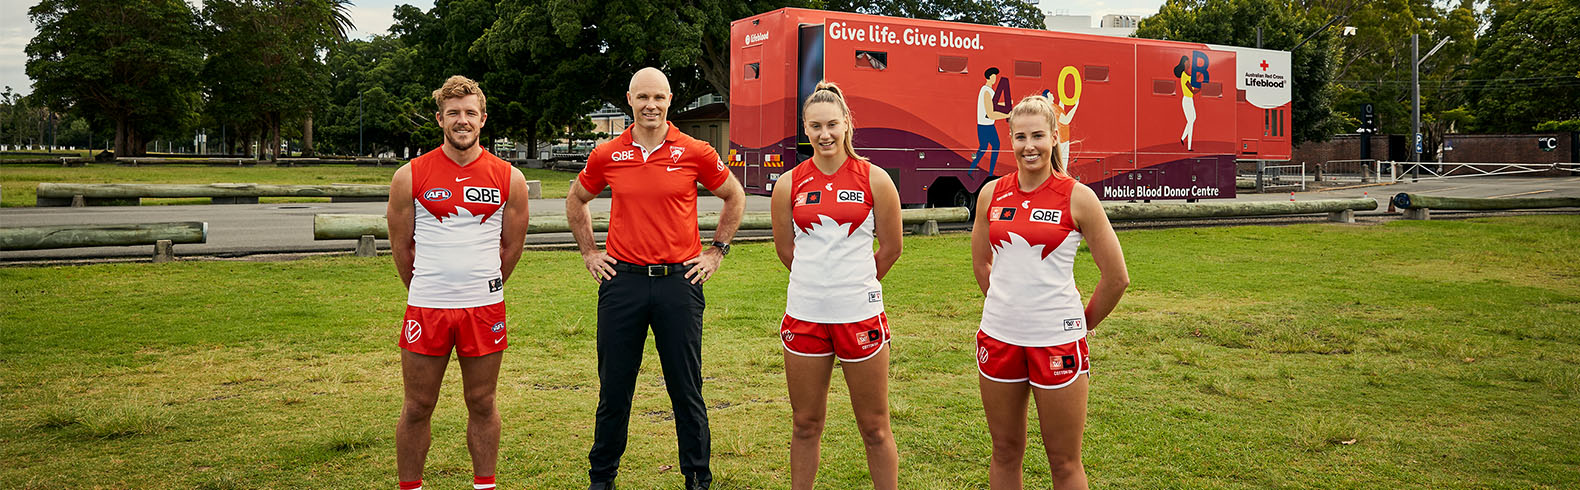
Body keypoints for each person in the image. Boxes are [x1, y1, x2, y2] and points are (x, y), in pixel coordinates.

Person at [567, 67, 747, 490]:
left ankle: (698, 479)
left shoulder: (696, 150)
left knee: (686, 390)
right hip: (623, 283)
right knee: (614, 390)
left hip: (678, 284)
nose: (651, 105)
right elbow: (577, 198)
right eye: (643, 97)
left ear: (670, 100)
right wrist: (591, 253)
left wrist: (716, 251)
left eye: (659, 98)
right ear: (629, 99)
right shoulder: (608, 153)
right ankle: (602, 479)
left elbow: (733, 195)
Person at [970, 95, 1129, 490]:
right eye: (1020, 136)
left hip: (1056, 343)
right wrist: (1005, 306)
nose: (1029, 146)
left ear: (1055, 137)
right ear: (1009, 139)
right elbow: (981, 264)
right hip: (999, 338)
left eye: (1039, 135)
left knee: (1064, 462)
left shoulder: (1078, 196)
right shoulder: (991, 194)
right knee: (1005, 452)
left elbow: (1116, 277)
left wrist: (1080, 324)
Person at [387, 75, 531, 490]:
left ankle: (484, 485)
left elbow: (511, 249)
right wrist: (429, 288)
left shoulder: (509, 179)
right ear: (440, 119)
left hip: (483, 308)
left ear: (483, 119)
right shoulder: (410, 176)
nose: (462, 120)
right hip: (427, 307)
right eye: (454, 114)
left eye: (470, 113)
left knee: (482, 402)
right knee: (417, 406)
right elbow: (402, 250)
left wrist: (480, 283)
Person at [769, 81, 903, 490]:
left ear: (846, 124)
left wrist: (854, 283)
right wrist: (818, 284)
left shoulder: (875, 179)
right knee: (805, 424)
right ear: (804, 130)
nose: (824, 135)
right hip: (806, 316)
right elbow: (787, 251)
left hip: (859, 316)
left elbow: (892, 248)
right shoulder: (788, 184)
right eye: (815, 127)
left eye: (832, 124)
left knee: (875, 427)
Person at [969, 67, 1011, 177]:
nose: (995, 79)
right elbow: (991, 113)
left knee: (985, 147)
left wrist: (1006, 104)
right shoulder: (986, 91)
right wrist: (1007, 115)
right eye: (994, 76)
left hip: (985, 126)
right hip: (986, 126)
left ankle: (972, 170)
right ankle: (990, 173)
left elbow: (994, 105)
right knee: (994, 146)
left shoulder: (989, 91)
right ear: (989, 77)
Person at [1174, 55, 1198, 151]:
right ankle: (1189, 147)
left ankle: (1183, 138)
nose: (1189, 64)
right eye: (1188, 62)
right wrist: (1201, 89)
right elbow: (1191, 90)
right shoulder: (1184, 76)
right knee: (1191, 122)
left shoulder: (1186, 75)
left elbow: (1193, 80)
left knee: (1193, 119)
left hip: (1189, 100)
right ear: (1185, 63)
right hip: (1187, 100)